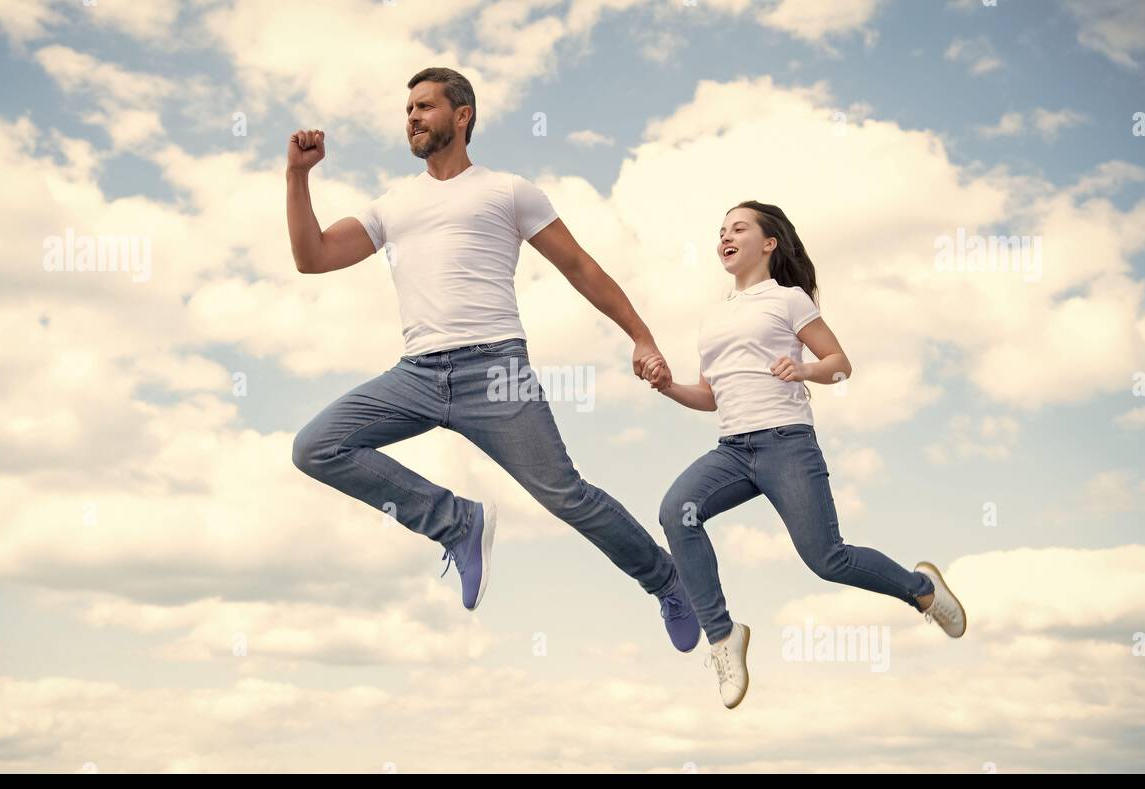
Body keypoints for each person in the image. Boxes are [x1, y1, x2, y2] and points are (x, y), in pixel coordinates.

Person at [286, 67, 700, 651]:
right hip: (418, 373)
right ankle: (456, 522)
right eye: (408, 109)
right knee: (316, 447)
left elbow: (581, 268)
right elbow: (313, 256)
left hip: (496, 371)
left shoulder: (508, 191)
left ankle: (667, 582)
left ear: (462, 116)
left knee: (565, 495)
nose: (412, 117)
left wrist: (642, 336)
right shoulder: (392, 205)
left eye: (425, 106)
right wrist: (298, 177)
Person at [643, 201, 966, 707]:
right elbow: (710, 397)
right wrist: (667, 388)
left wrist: (807, 371)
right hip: (732, 452)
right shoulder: (712, 317)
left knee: (827, 559)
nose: (725, 236)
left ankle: (920, 588)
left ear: (768, 243)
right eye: (721, 230)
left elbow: (841, 365)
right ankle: (723, 636)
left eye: (739, 228)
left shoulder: (788, 300)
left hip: (787, 445)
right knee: (676, 512)